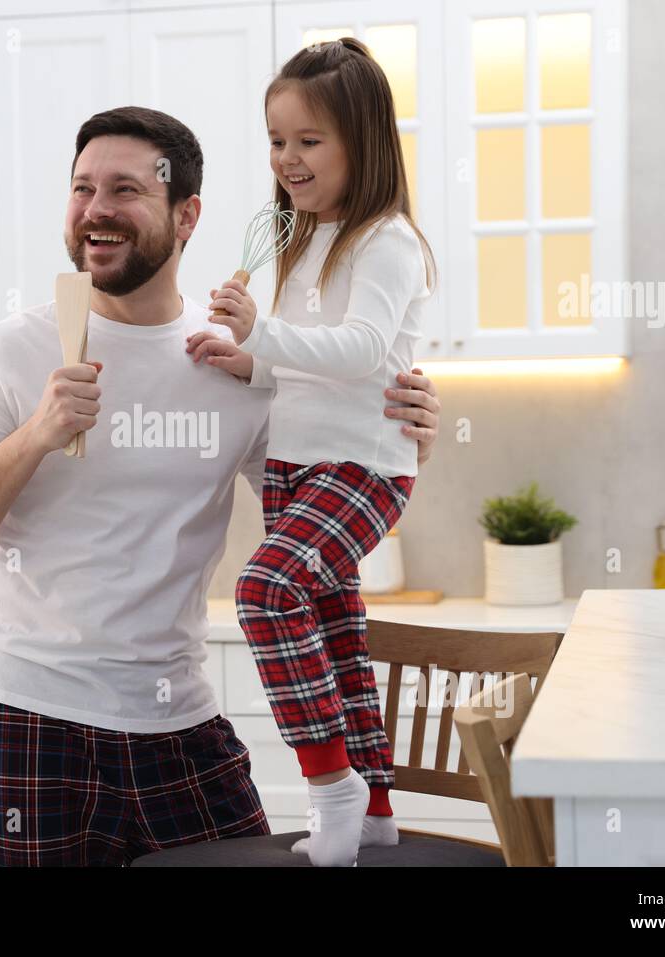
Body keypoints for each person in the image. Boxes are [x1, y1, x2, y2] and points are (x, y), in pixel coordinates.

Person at [0, 105, 442, 866]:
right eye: (83, 188)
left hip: (178, 714)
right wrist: (38, 433)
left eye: (125, 190)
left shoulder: (232, 362)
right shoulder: (7, 353)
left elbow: (321, 503)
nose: (96, 209)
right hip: (28, 710)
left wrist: (402, 440)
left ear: (186, 214)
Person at [185, 38, 435, 866]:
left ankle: (331, 788)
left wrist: (261, 330)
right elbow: (307, 365)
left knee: (265, 591)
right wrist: (247, 361)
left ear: (363, 142)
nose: (287, 158)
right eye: (276, 140)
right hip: (296, 464)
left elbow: (361, 350)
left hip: (363, 465)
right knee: (334, 630)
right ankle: (376, 812)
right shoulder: (303, 236)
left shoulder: (386, 240)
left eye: (309, 140)